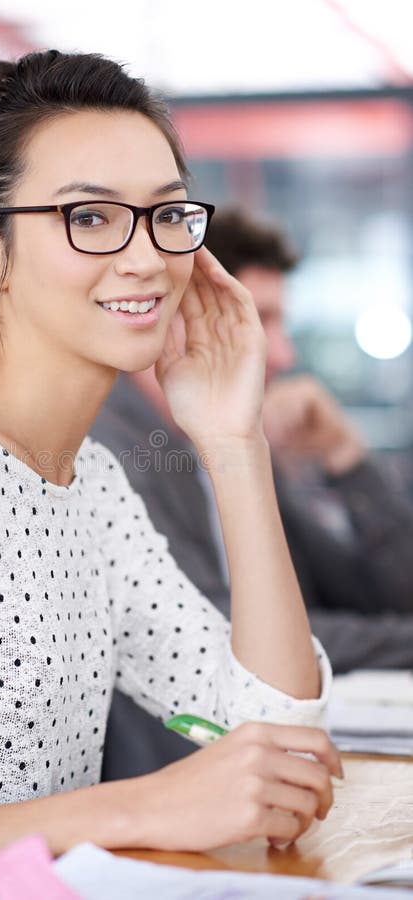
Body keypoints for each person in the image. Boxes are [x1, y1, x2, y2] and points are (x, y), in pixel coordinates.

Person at [0, 53, 341, 900]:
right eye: (89, 217)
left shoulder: (89, 481)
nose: (144, 258)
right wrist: (131, 810)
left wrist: (231, 437)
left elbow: (280, 741)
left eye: (166, 213)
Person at [93, 205, 413, 782]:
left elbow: (382, 591)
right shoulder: (115, 447)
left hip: (270, 753)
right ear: (187, 311)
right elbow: (217, 631)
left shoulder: (225, 437)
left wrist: (349, 460)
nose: (284, 355)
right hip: (179, 782)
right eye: (261, 319)